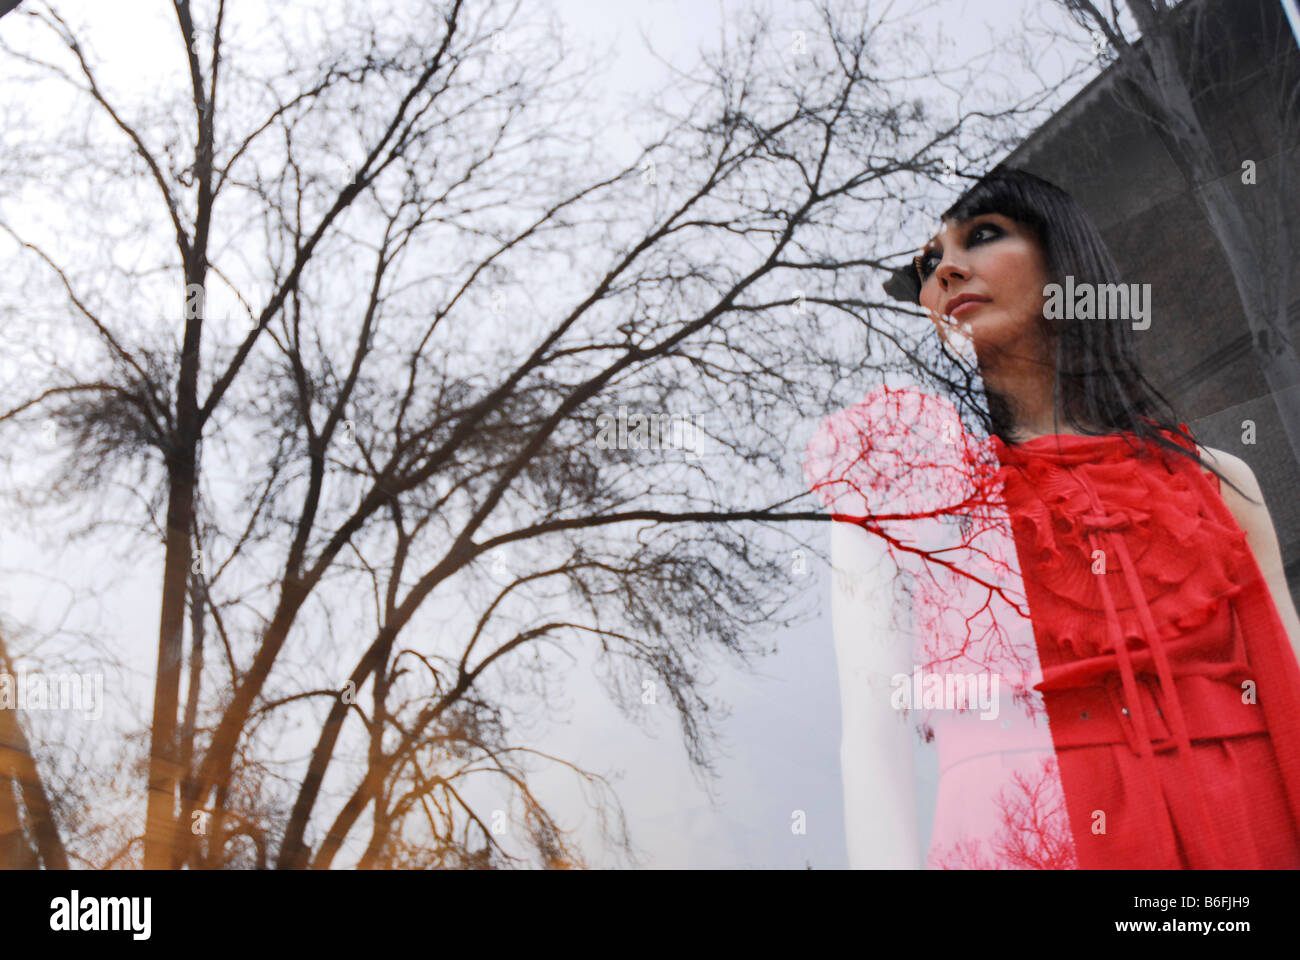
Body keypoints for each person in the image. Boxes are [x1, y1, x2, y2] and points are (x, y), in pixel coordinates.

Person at [807, 165, 1300, 868]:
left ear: (1062, 257)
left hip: (1247, 837)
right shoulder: (901, 504)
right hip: (1024, 834)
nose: (946, 270)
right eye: (927, 262)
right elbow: (872, 741)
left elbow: (1290, 690)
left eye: (980, 236)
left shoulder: (1219, 483)